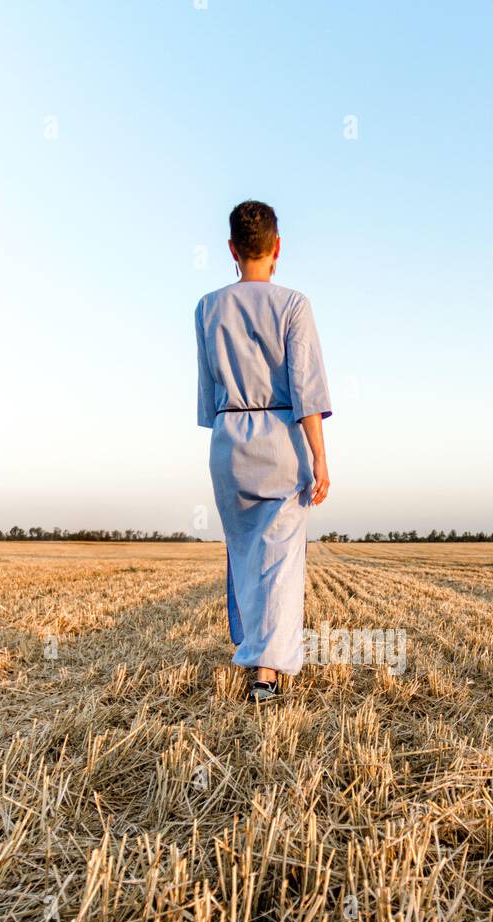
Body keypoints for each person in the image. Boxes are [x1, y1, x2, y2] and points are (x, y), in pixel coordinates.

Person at [196, 200, 332, 702]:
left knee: (243, 557)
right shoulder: (294, 305)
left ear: (232, 249)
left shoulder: (207, 307)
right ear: (278, 249)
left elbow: (207, 394)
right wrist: (320, 458)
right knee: (281, 563)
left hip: (228, 442)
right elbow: (307, 390)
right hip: (282, 440)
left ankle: (255, 656)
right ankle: (265, 675)